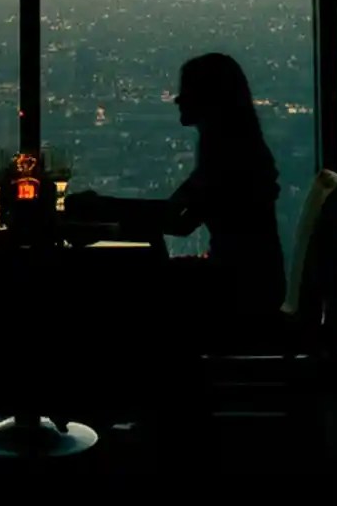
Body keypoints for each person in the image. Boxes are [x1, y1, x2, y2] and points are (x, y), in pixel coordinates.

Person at [67, 52, 286, 335]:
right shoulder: (233, 148)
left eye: (187, 91)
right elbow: (177, 215)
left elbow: (178, 220)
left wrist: (104, 210)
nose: (178, 99)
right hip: (254, 286)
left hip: (239, 291)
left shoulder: (225, 154)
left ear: (209, 98)